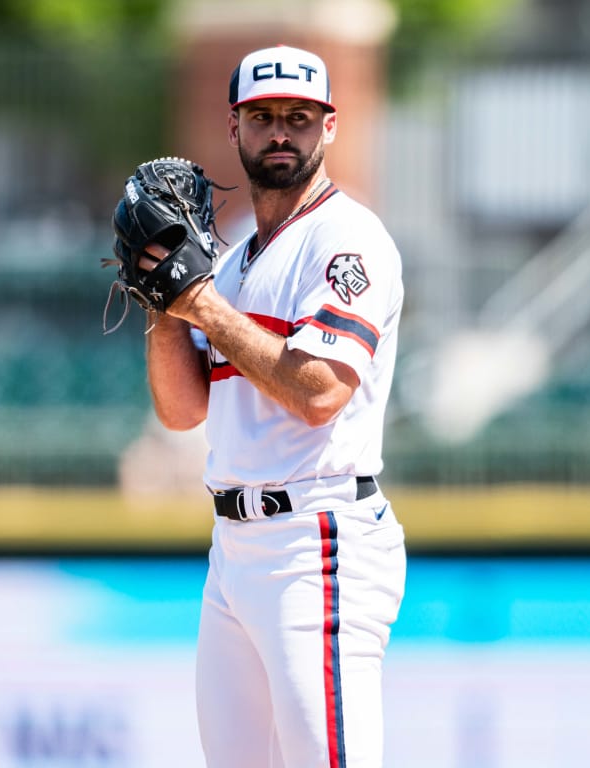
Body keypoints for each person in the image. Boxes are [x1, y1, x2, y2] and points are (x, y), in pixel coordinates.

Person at [137, 45, 406, 767]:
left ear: (330, 127)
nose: (281, 132)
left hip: (316, 540)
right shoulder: (228, 258)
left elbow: (319, 392)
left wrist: (207, 309)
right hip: (234, 550)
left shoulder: (347, 240)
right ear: (234, 128)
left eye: (298, 116)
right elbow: (181, 411)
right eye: (263, 117)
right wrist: (167, 305)